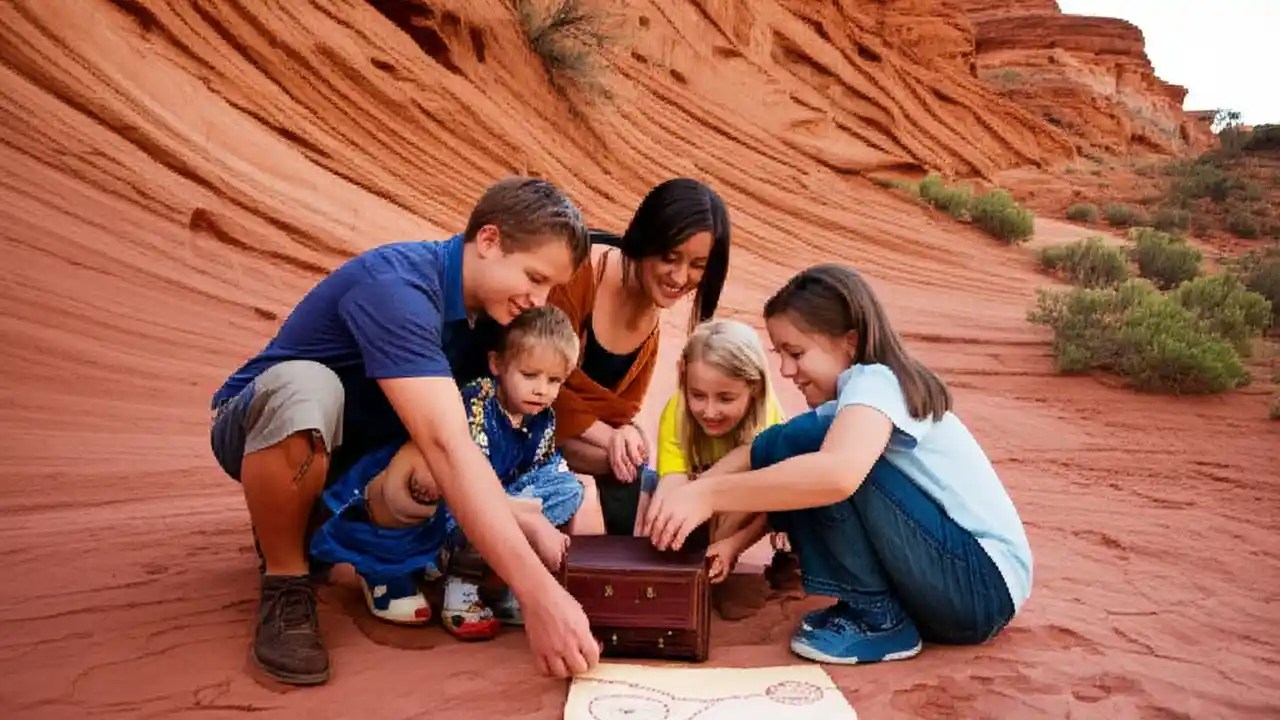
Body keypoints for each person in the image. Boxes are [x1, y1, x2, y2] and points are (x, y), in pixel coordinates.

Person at [208, 176, 601, 685]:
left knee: (430, 472)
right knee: (308, 389)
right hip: (261, 428)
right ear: (488, 241)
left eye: (551, 286)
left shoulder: (490, 317)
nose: (540, 298)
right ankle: (286, 580)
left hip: (358, 454)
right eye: (534, 276)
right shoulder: (398, 288)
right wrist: (540, 595)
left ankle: (323, 521)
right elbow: (446, 443)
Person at [642, 263, 1033, 665]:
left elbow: (838, 475)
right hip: (950, 588)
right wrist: (690, 492)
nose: (786, 371)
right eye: (780, 355)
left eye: (796, 354)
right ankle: (874, 609)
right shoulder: (849, 402)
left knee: (820, 460)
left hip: (980, 587)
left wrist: (709, 494)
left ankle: (878, 620)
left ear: (850, 341)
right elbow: (763, 448)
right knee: (792, 442)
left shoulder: (878, 383)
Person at [307, 305, 590, 640]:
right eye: (530, 375)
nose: (542, 389)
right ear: (497, 364)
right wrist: (530, 519)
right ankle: (460, 582)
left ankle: (497, 578)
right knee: (461, 495)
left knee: (568, 487)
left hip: (502, 500)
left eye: (554, 380)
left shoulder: (542, 419)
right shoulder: (476, 405)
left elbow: (539, 469)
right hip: (453, 505)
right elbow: (464, 483)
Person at [548, 178, 732, 536]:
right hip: (517, 425)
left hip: (572, 442)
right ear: (646, 240)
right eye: (670, 257)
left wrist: (626, 434)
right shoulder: (580, 275)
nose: (680, 277)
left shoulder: (652, 311)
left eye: (697, 265)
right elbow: (531, 378)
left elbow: (621, 410)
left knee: (642, 480)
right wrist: (610, 436)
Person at [636, 318, 794, 597]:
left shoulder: (770, 426)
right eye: (697, 395)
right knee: (649, 500)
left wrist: (734, 545)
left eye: (725, 398)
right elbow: (672, 481)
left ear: (754, 388)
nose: (709, 411)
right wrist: (662, 522)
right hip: (699, 502)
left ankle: (720, 571)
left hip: (748, 501)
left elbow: (772, 504)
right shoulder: (677, 412)